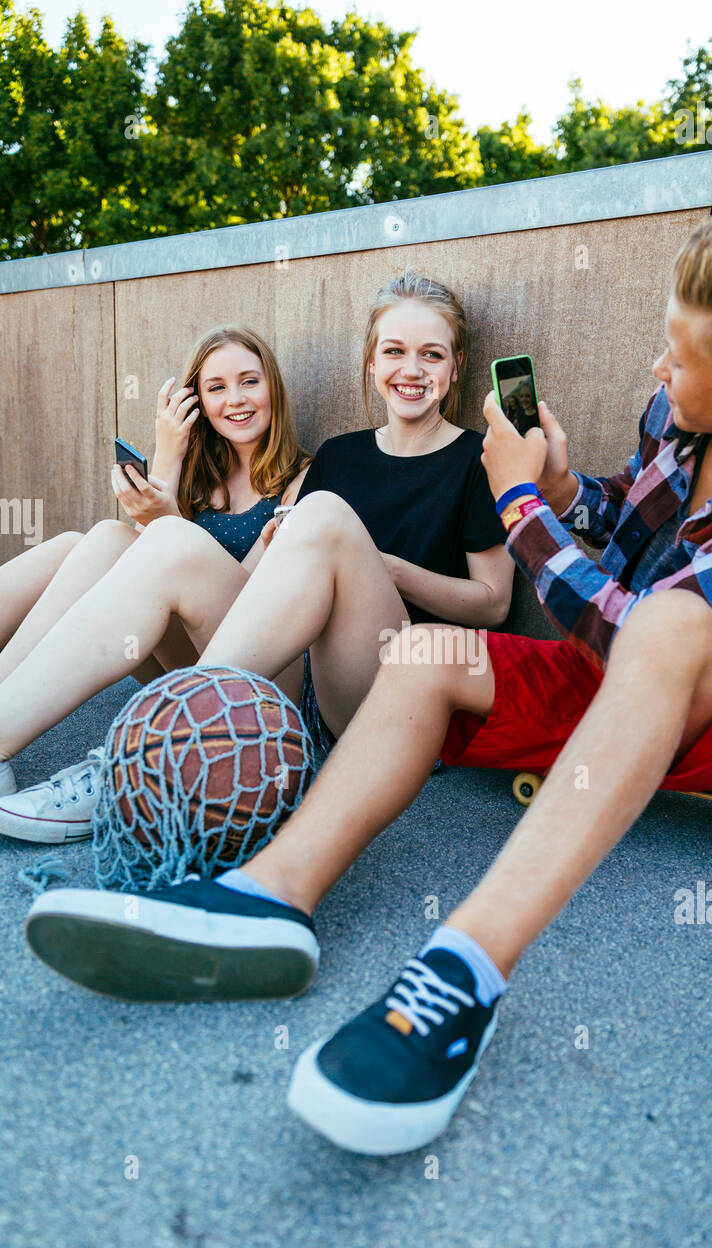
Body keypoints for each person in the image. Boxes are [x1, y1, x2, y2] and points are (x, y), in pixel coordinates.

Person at [31, 201, 712, 1159]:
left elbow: (627, 623)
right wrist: (561, 490)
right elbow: (622, 528)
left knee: (675, 625)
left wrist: (514, 501)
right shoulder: (680, 412)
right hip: (603, 671)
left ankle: (460, 970)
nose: (657, 367)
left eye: (676, 353)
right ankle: (269, 897)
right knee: (418, 658)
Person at [0, 271, 512, 841]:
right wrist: (267, 547)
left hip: (385, 697)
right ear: (372, 362)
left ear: (457, 366)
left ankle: (143, 757)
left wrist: (379, 564)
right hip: (290, 684)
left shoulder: (479, 459)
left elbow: (493, 605)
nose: (411, 370)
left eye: (431, 355)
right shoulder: (341, 455)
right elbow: (249, 591)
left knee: (323, 516)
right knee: (136, 539)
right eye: (394, 351)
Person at [0, 324, 309, 841]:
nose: (235, 399)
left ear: (272, 388)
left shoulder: (304, 477)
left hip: (265, 681)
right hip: (188, 667)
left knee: (162, 539)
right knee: (104, 538)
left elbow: (260, 607)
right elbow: (131, 577)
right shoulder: (197, 476)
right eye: (216, 388)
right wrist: (169, 450)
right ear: (197, 402)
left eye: (249, 382)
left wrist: (168, 518)